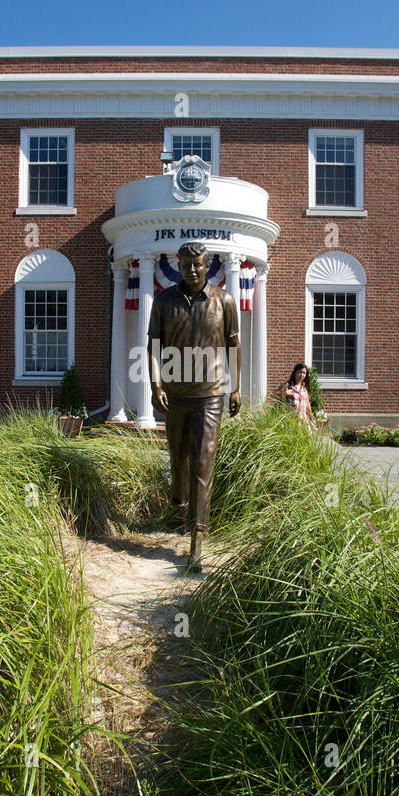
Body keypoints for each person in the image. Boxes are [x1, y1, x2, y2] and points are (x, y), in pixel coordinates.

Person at [148, 241, 241, 571]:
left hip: (211, 393)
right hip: (175, 393)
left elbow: (234, 344)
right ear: (178, 265)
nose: (192, 269)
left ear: (207, 265)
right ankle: (180, 505)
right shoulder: (163, 301)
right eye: (186, 264)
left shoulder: (224, 301)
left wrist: (235, 389)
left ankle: (196, 539)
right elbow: (154, 345)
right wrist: (155, 383)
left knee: (203, 461)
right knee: (179, 459)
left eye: (198, 264)